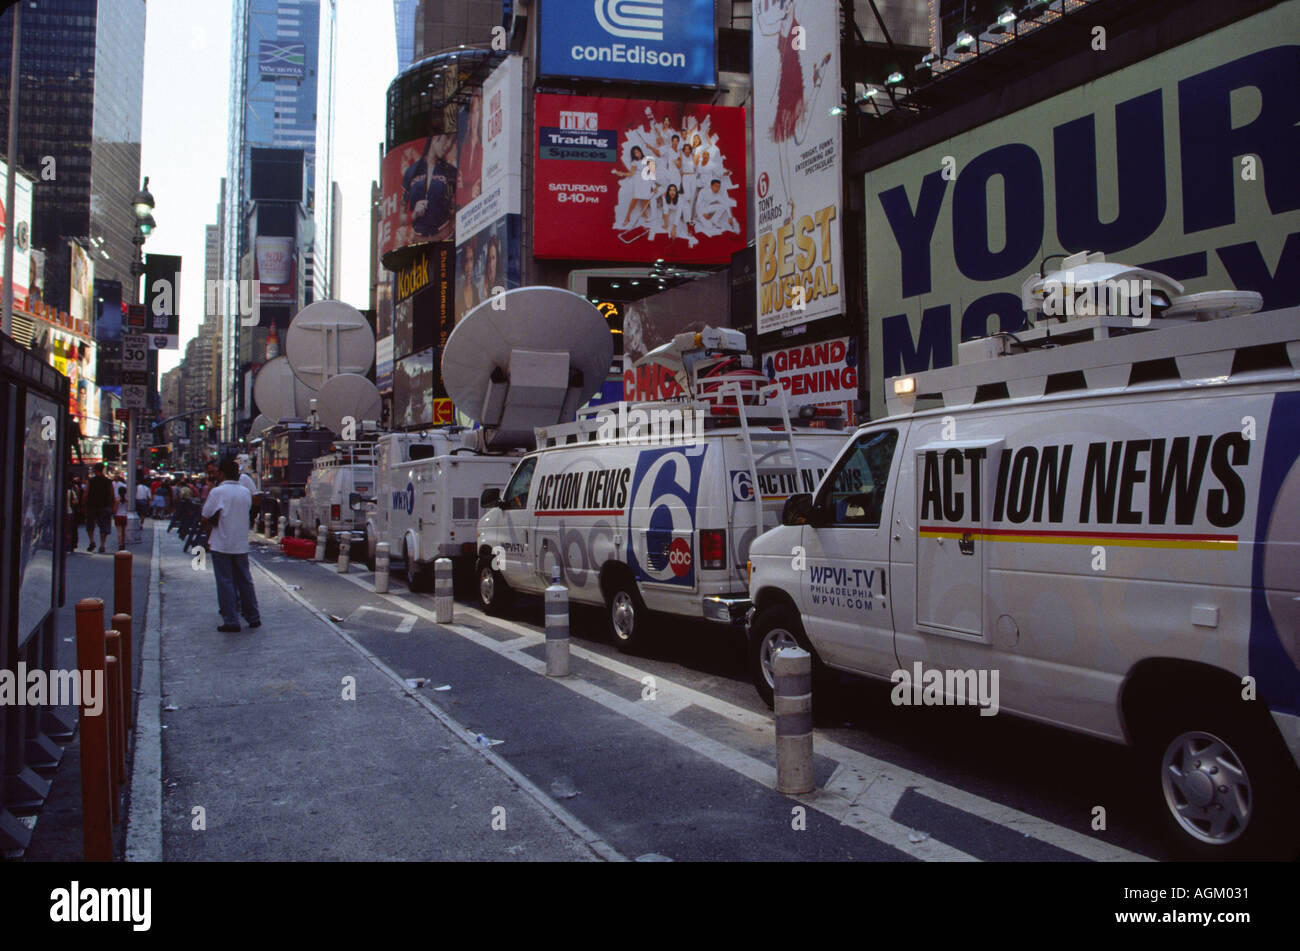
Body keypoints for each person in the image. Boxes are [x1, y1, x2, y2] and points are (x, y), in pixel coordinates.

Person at [202, 457, 261, 633]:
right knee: (245, 581)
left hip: (221, 543)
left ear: (222, 473)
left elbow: (205, 515)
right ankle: (253, 616)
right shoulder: (245, 492)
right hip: (241, 543)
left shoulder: (218, 492)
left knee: (225, 582)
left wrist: (209, 532)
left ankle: (231, 619)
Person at [84, 463, 113, 553]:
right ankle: (102, 544)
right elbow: (112, 495)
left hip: (92, 506)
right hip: (104, 506)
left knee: (90, 525)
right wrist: (111, 506)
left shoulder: (90, 481)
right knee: (104, 526)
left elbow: (86, 493)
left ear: (95, 470)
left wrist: (83, 504)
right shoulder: (108, 481)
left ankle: (92, 541)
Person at [113, 484, 130, 551]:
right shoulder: (126, 500)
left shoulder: (117, 500)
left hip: (118, 515)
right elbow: (127, 508)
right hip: (124, 516)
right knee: (123, 531)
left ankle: (120, 544)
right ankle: (123, 543)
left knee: (119, 531)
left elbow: (115, 509)